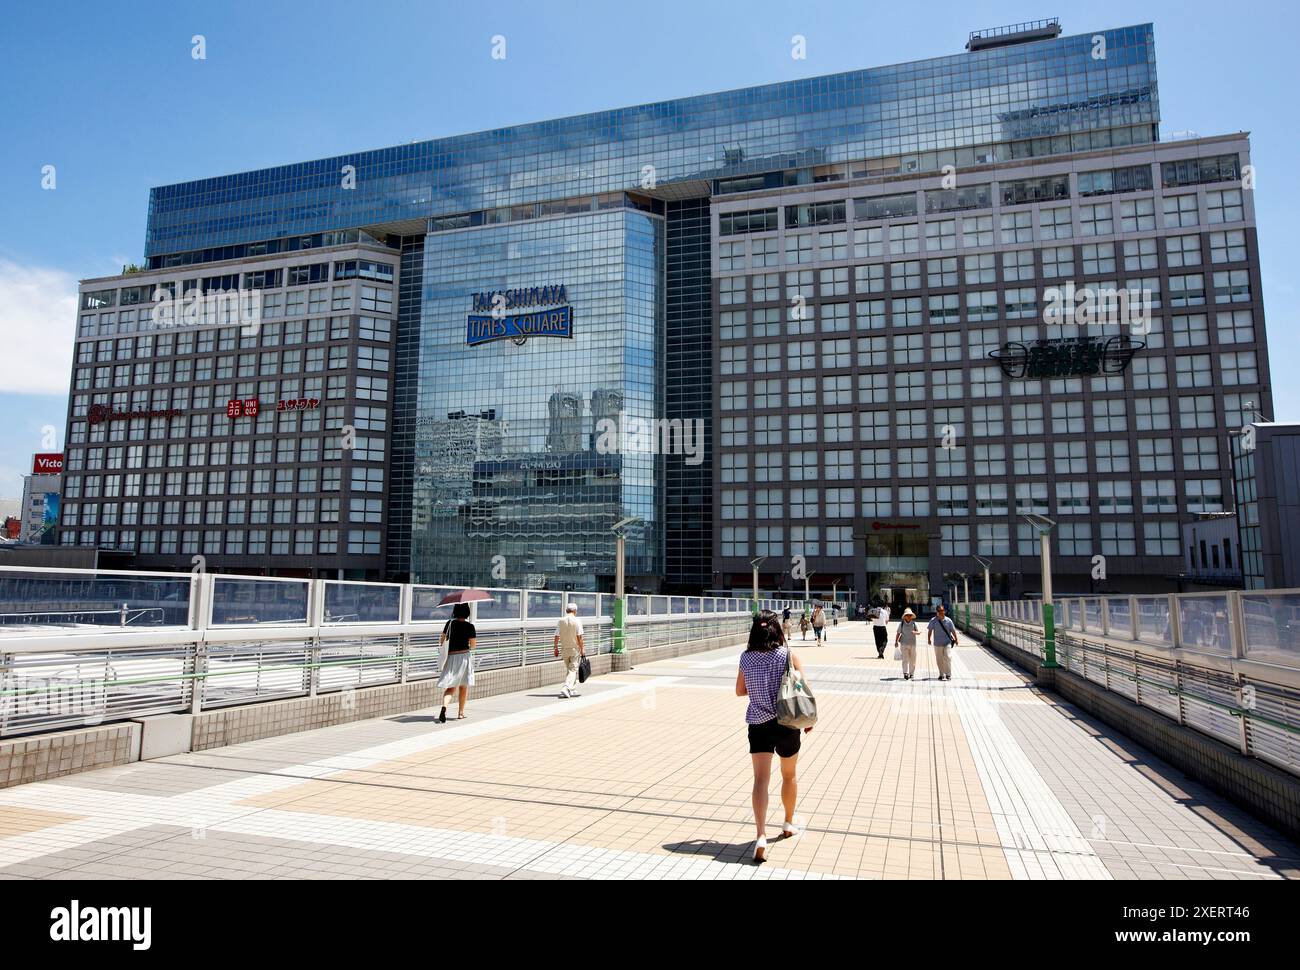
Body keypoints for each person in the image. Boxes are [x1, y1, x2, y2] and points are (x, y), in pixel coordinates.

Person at [736, 609, 812, 863]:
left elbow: (739, 691)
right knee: (789, 775)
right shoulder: (787, 655)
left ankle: (760, 835)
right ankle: (788, 823)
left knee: (760, 780)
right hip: (787, 723)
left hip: (758, 724)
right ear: (777, 630)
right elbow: (801, 689)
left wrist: (759, 689)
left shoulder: (746, 658)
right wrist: (808, 720)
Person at [436, 603, 476, 721]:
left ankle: (444, 707)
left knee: (451, 687)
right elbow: (473, 645)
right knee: (463, 687)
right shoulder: (470, 626)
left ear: (455, 611)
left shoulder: (450, 624)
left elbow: (442, 640)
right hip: (464, 657)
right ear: (467, 612)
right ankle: (460, 713)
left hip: (451, 657)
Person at [553, 602, 585, 698]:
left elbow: (556, 636)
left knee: (570, 669)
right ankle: (566, 687)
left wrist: (555, 648)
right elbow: (579, 637)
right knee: (573, 669)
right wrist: (582, 649)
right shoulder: (577, 620)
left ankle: (572, 689)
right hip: (574, 649)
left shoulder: (561, 621)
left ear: (566, 610)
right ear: (575, 611)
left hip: (564, 649)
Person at [927, 604, 959, 681]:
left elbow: (953, 630)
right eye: (939, 611)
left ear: (944, 611)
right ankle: (941, 674)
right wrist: (929, 639)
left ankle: (948, 674)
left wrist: (956, 639)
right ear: (937, 612)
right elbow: (930, 630)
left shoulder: (949, 620)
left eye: (942, 610)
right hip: (937, 643)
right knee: (939, 659)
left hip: (947, 642)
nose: (941, 612)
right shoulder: (933, 620)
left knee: (948, 657)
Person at [895, 608, 920, 680]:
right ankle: (905, 673)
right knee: (905, 659)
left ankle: (911, 673)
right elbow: (898, 633)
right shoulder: (902, 624)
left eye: (910, 615)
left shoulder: (914, 623)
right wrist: (896, 642)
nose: (909, 616)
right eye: (907, 615)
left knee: (913, 659)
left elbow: (918, 632)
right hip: (904, 644)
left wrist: (916, 632)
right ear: (904, 616)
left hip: (913, 644)